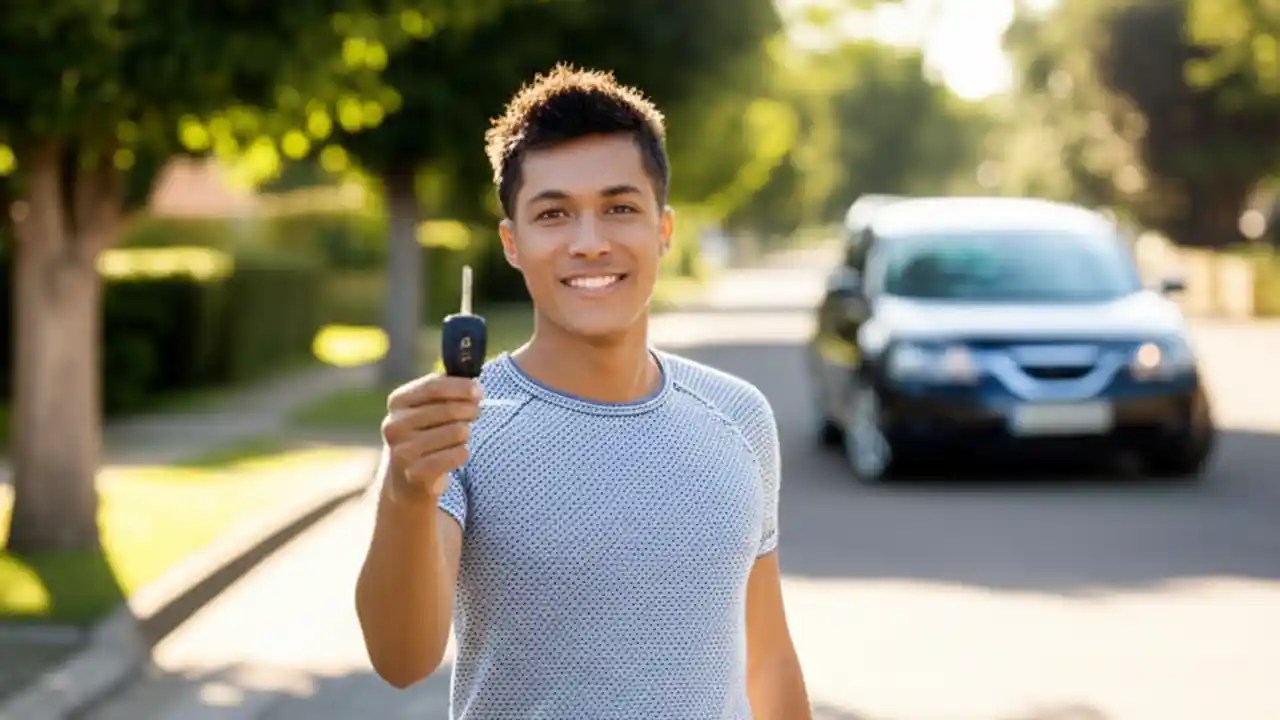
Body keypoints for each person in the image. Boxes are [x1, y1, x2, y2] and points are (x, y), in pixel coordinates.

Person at [355, 63, 812, 719]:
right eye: (554, 214)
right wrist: (405, 489)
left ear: (664, 228)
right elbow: (402, 661)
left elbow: (766, 659)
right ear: (513, 243)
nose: (590, 243)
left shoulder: (738, 415)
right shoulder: (457, 428)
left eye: (620, 208)